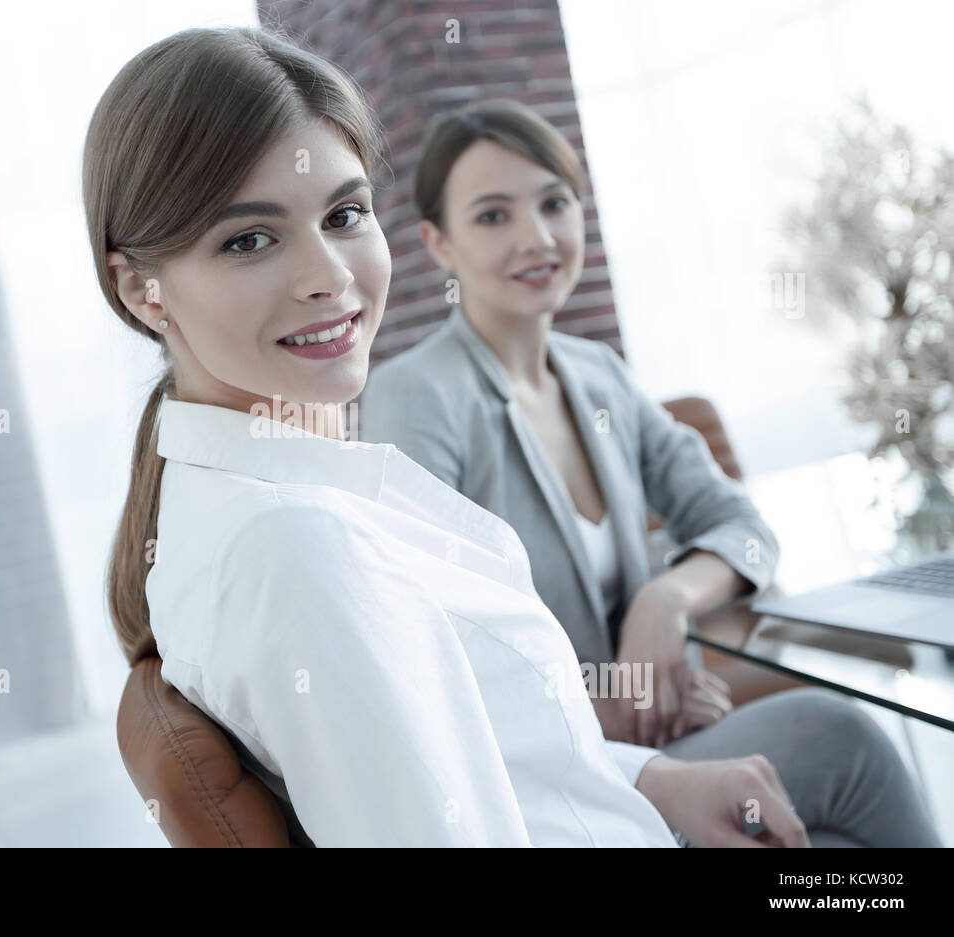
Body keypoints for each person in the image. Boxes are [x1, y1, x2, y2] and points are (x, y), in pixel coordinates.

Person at [89, 27, 914, 846]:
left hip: (608, 784)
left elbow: (497, 740)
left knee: (841, 753)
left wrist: (649, 763)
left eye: (344, 213)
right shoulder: (300, 540)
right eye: (251, 238)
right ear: (142, 288)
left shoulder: (583, 381)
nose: (330, 277)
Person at [360, 97, 942, 847]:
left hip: (648, 741)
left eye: (555, 202)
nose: (537, 238)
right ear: (438, 244)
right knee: (839, 738)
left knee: (823, 847)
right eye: (494, 216)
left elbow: (748, 532)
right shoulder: (417, 396)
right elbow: (442, 640)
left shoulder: (598, 376)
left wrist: (665, 602)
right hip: (549, 770)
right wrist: (616, 693)